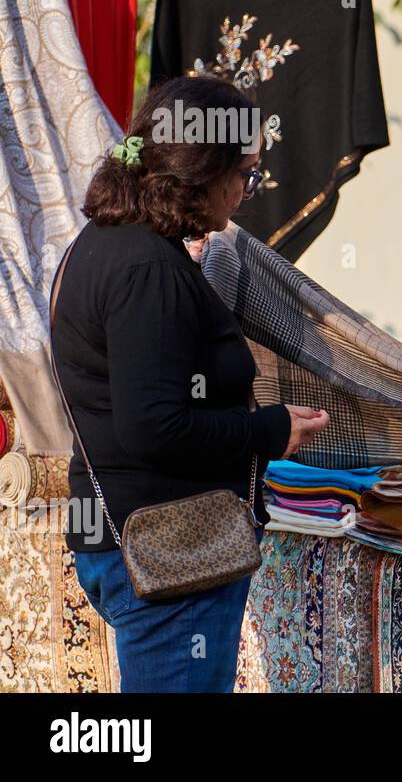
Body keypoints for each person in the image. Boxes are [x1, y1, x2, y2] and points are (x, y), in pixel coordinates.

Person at [50, 76, 331, 692]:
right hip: (167, 548)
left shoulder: (103, 246)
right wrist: (269, 430)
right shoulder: (148, 269)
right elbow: (155, 426)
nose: (249, 192)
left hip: (126, 532)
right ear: (202, 172)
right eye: (247, 173)